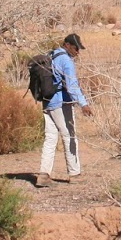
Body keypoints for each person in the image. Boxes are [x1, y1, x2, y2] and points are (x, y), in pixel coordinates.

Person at [38, 33, 91, 187]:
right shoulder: (66, 61)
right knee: (69, 136)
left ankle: (43, 175)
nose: (77, 52)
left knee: (50, 138)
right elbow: (72, 86)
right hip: (61, 103)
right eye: (75, 48)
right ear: (67, 45)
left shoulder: (53, 54)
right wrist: (83, 104)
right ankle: (74, 174)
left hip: (47, 102)